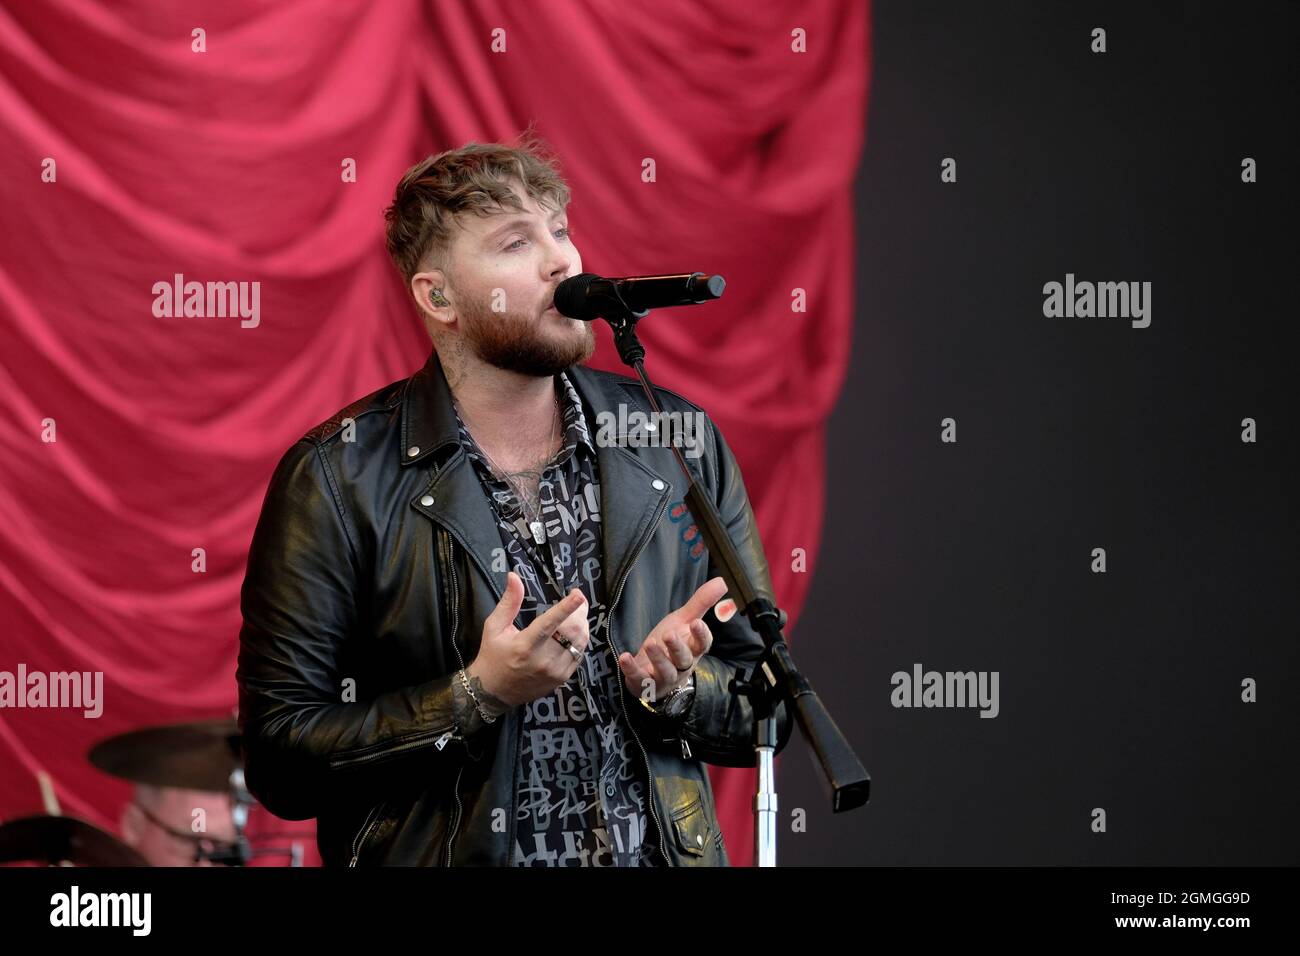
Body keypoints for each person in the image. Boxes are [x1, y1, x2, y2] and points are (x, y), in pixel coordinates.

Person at [236, 136, 793, 866]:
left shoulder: (672, 441)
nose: (563, 260)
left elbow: (771, 706)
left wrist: (683, 689)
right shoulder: (336, 477)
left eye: (560, 229)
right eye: (515, 242)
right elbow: (281, 760)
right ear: (439, 297)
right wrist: (477, 694)